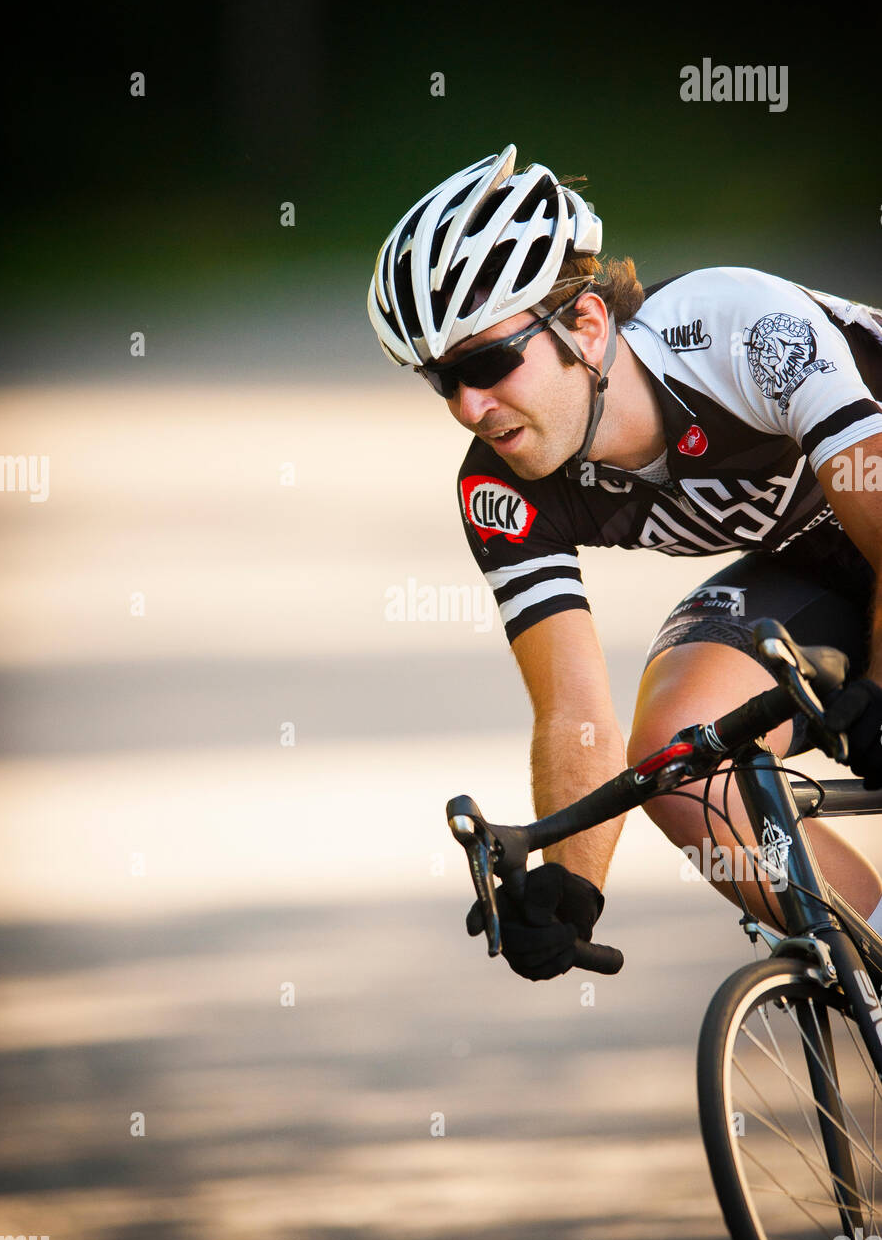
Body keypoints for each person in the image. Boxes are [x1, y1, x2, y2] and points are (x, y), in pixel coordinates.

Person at [367, 144, 882, 981]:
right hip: (815, 560)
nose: (469, 407)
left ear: (586, 326)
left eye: (488, 363)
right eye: (441, 382)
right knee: (684, 763)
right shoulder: (501, 485)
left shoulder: (738, 333)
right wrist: (571, 888)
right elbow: (573, 707)